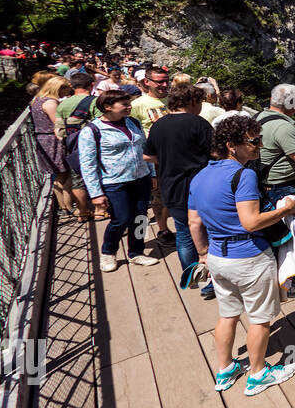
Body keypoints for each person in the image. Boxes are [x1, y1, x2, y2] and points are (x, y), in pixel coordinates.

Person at [188, 114, 295, 396]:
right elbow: (251, 222)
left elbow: (194, 222)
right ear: (231, 145)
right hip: (249, 256)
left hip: (218, 256)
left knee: (228, 314)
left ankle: (225, 370)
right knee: (260, 319)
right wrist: (285, 210)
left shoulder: (200, 176)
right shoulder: (243, 175)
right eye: (254, 141)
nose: (260, 145)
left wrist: (203, 254)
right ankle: (258, 373)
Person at [144, 84, 215, 299]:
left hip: (171, 185)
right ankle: (210, 282)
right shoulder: (199, 124)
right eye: (200, 102)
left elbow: (148, 156)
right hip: (200, 184)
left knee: (184, 233)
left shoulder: (159, 125)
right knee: (208, 232)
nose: (201, 106)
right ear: (192, 101)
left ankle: (194, 277)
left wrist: (167, 159)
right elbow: (214, 153)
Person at [80, 90, 161, 273]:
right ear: (108, 107)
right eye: (124, 104)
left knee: (141, 217)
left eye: (128, 103)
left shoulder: (133, 122)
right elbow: (88, 164)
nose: (129, 107)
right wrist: (96, 194)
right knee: (121, 219)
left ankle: (137, 252)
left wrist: (152, 173)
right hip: (113, 182)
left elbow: (144, 149)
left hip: (141, 178)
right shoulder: (92, 130)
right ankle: (108, 251)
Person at [54, 72, 105, 221]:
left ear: (72, 86)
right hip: (93, 144)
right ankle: (99, 210)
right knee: (97, 175)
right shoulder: (95, 102)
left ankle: (82, 212)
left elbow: (58, 130)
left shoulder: (62, 104)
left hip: (72, 145)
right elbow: (100, 124)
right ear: (91, 85)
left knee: (77, 177)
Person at [130, 66, 173, 242]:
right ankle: (162, 230)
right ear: (147, 82)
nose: (164, 85)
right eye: (159, 81)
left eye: (166, 81)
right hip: (154, 158)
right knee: (159, 195)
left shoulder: (173, 100)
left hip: (176, 154)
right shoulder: (137, 105)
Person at [31, 75, 73, 212]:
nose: (69, 91)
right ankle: (67, 205)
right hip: (52, 140)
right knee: (64, 173)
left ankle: (63, 206)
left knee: (58, 173)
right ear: (59, 88)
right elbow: (58, 124)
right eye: (67, 88)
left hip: (44, 139)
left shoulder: (37, 99)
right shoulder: (51, 103)